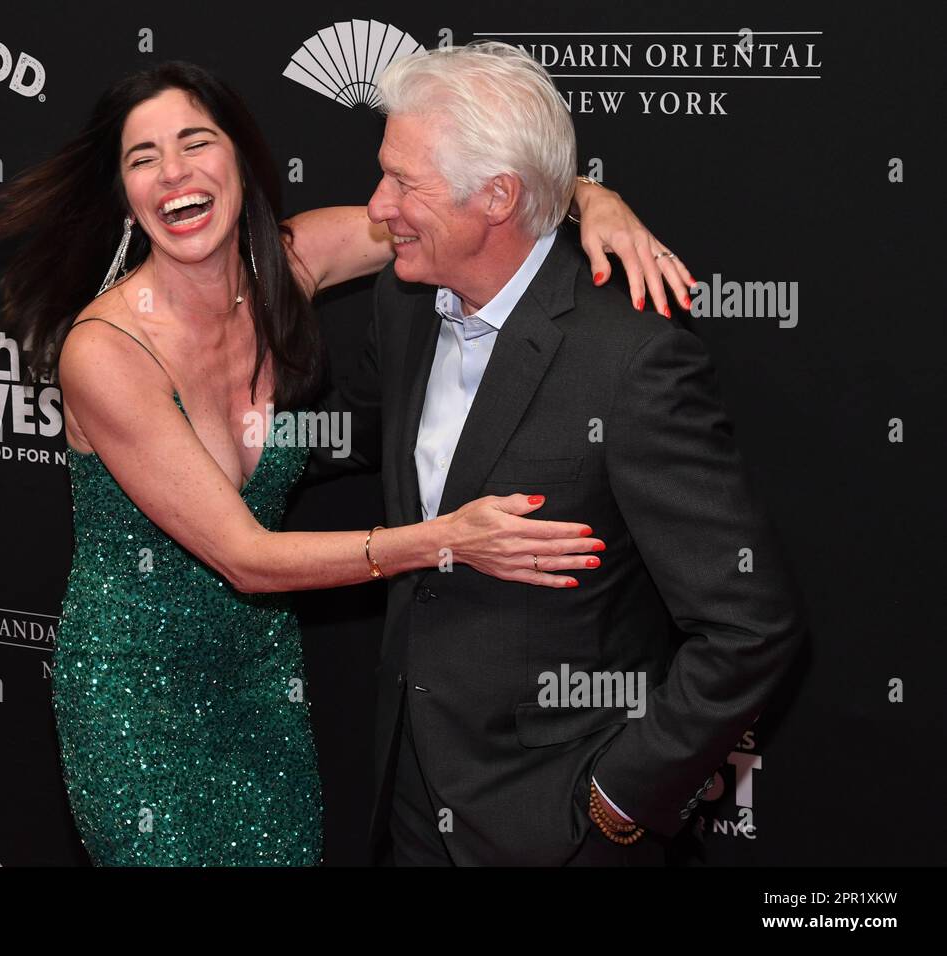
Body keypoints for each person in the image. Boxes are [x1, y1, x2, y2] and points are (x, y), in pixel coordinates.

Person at [0, 59, 693, 866]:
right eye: (142, 159)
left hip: (261, 679)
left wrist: (593, 198)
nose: (174, 176)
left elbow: (467, 204)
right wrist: (447, 538)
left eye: (195, 143)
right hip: (139, 700)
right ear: (125, 195)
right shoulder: (105, 353)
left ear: (238, 156)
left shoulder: (290, 263)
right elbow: (246, 558)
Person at [303, 41, 806, 866]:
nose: (377, 205)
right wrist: (206, 430)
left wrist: (618, 803)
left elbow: (752, 624)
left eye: (403, 181)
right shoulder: (405, 305)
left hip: (556, 831)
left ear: (497, 196)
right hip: (408, 808)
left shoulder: (630, 361)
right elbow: (348, 436)